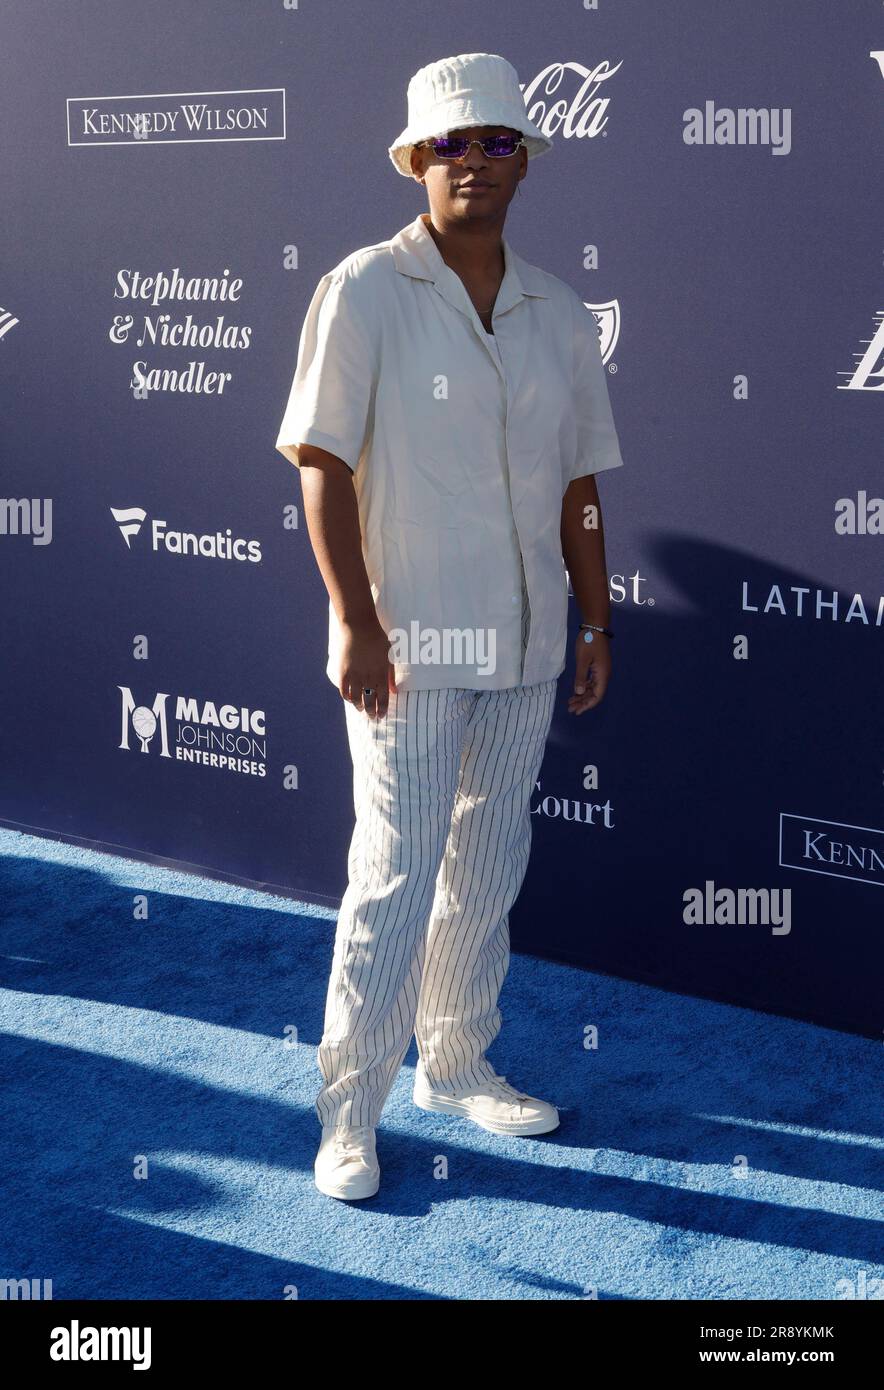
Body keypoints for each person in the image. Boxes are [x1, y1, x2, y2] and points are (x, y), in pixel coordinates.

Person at [275, 52, 625, 1200]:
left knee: (485, 866)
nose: (472, 161)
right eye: (450, 144)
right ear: (414, 161)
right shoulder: (365, 289)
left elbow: (578, 484)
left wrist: (593, 619)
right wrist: (352, 619)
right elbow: (320, 462)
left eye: (494, 141)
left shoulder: (558, 310)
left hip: (526, 646)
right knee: (391, 874)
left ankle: (457, 1060)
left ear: (524, 158)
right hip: (410, 648)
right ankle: (349, 1110)